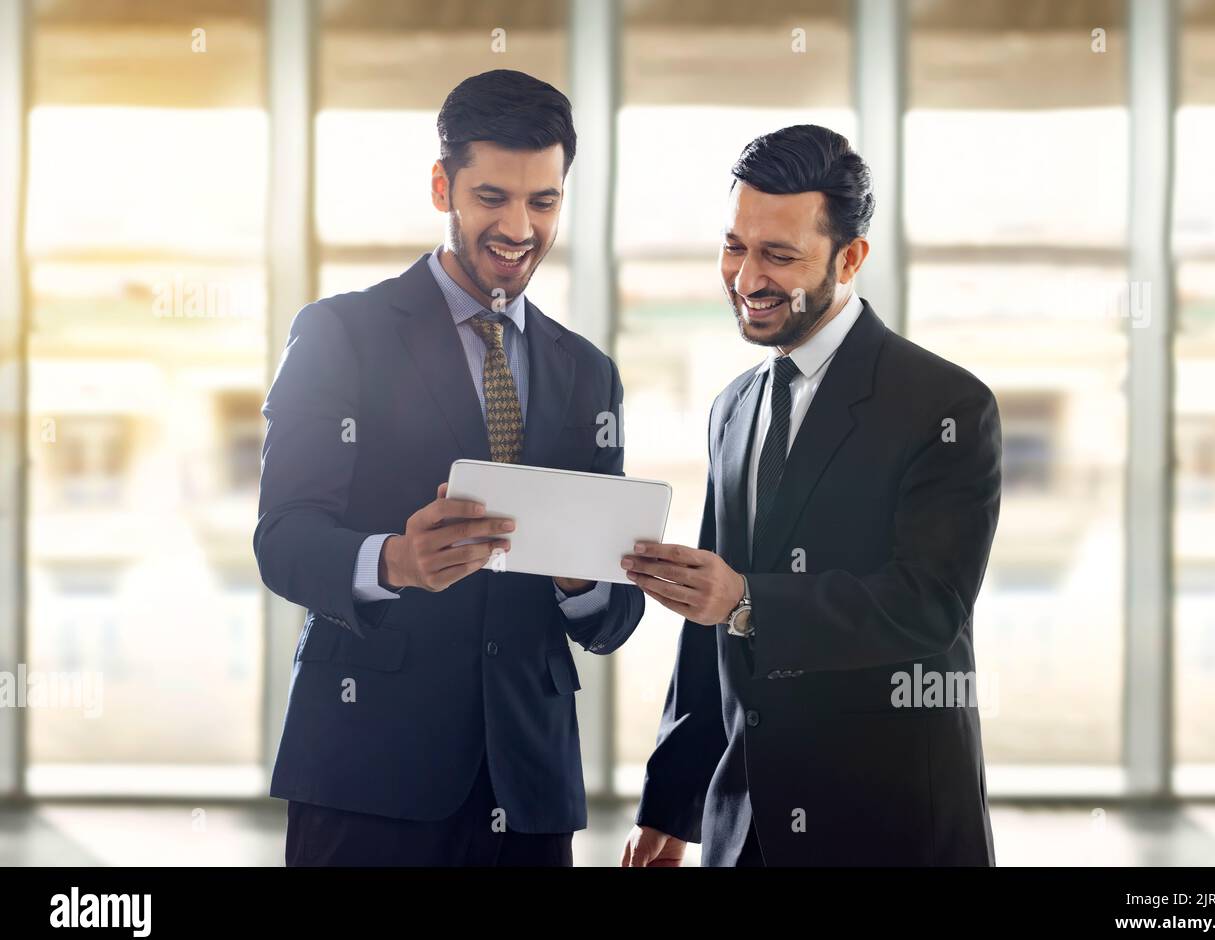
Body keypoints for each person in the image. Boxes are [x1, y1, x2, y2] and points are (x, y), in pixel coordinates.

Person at [256, 69, 644, 866]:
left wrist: (584, 581)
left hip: (527, 780)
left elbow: (613, 617)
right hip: (368, 770)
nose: (519, 227)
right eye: (493, 197)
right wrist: (394, 560)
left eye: (543, 201)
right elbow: (283, 539)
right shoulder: (341, 335)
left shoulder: (588, 373)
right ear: (443, 185)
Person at [621, 125, 1000, 867]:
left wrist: (747, 601)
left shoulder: (945, 404)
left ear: (850, 257)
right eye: (735, 246)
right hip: (744, 830)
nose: (746, 277)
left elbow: (928, 605)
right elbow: (708, 629)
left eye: (779, 255)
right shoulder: (733, 407)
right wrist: (670, 805)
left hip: (889, 830)